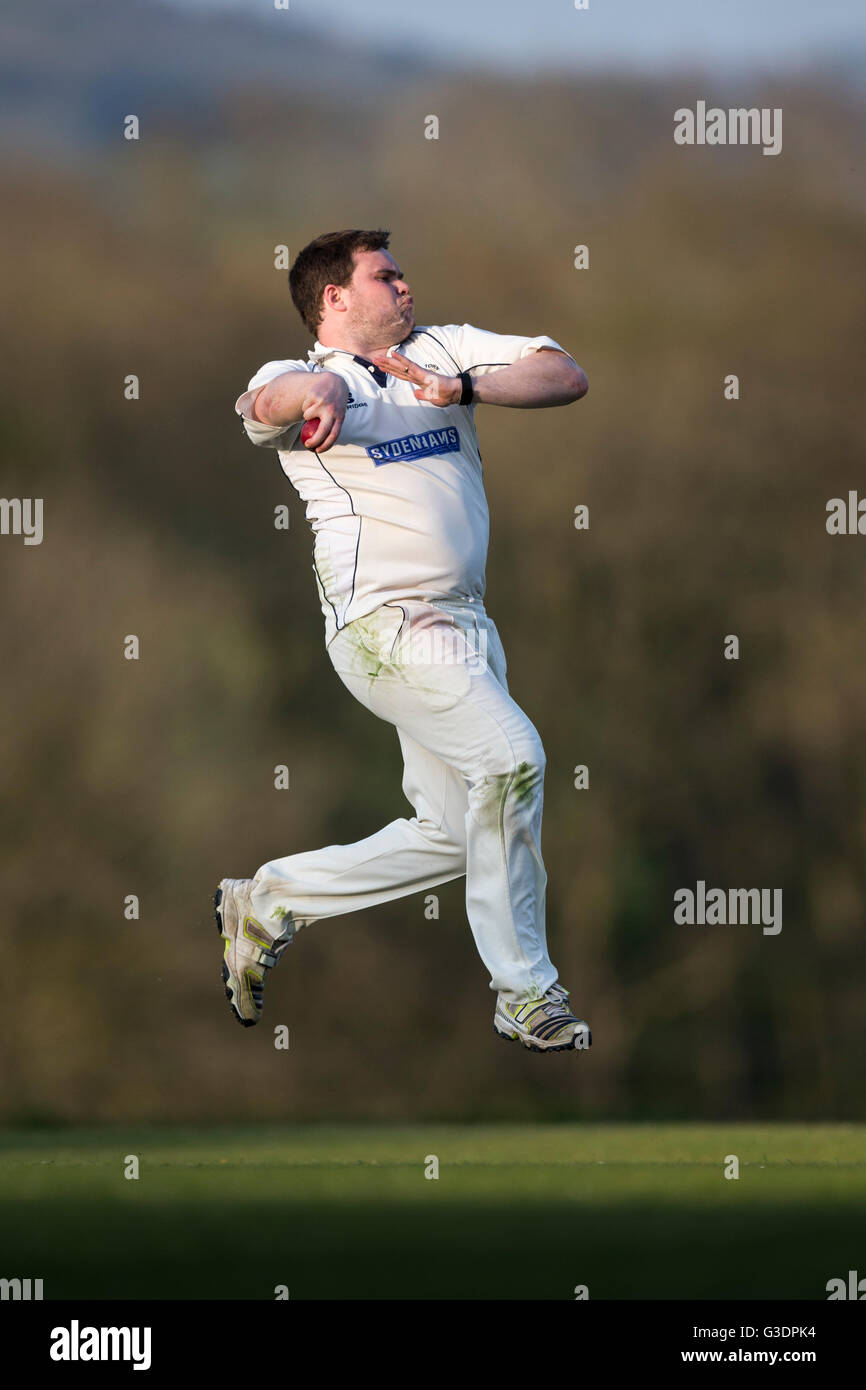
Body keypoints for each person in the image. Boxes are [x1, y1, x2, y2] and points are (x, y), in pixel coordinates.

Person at [216, 228, 591, 1053]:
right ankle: (526, 993)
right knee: (513, 759)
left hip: (465, 625)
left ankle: (273, 898)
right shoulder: (293, 375)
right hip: (388, 626)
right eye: (385, 277)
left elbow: (564, 375)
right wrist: (322, 393)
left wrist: (462, 388)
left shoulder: (440, 349)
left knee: (455, 834)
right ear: (334, 300)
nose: (405, 286)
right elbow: (264, 407)